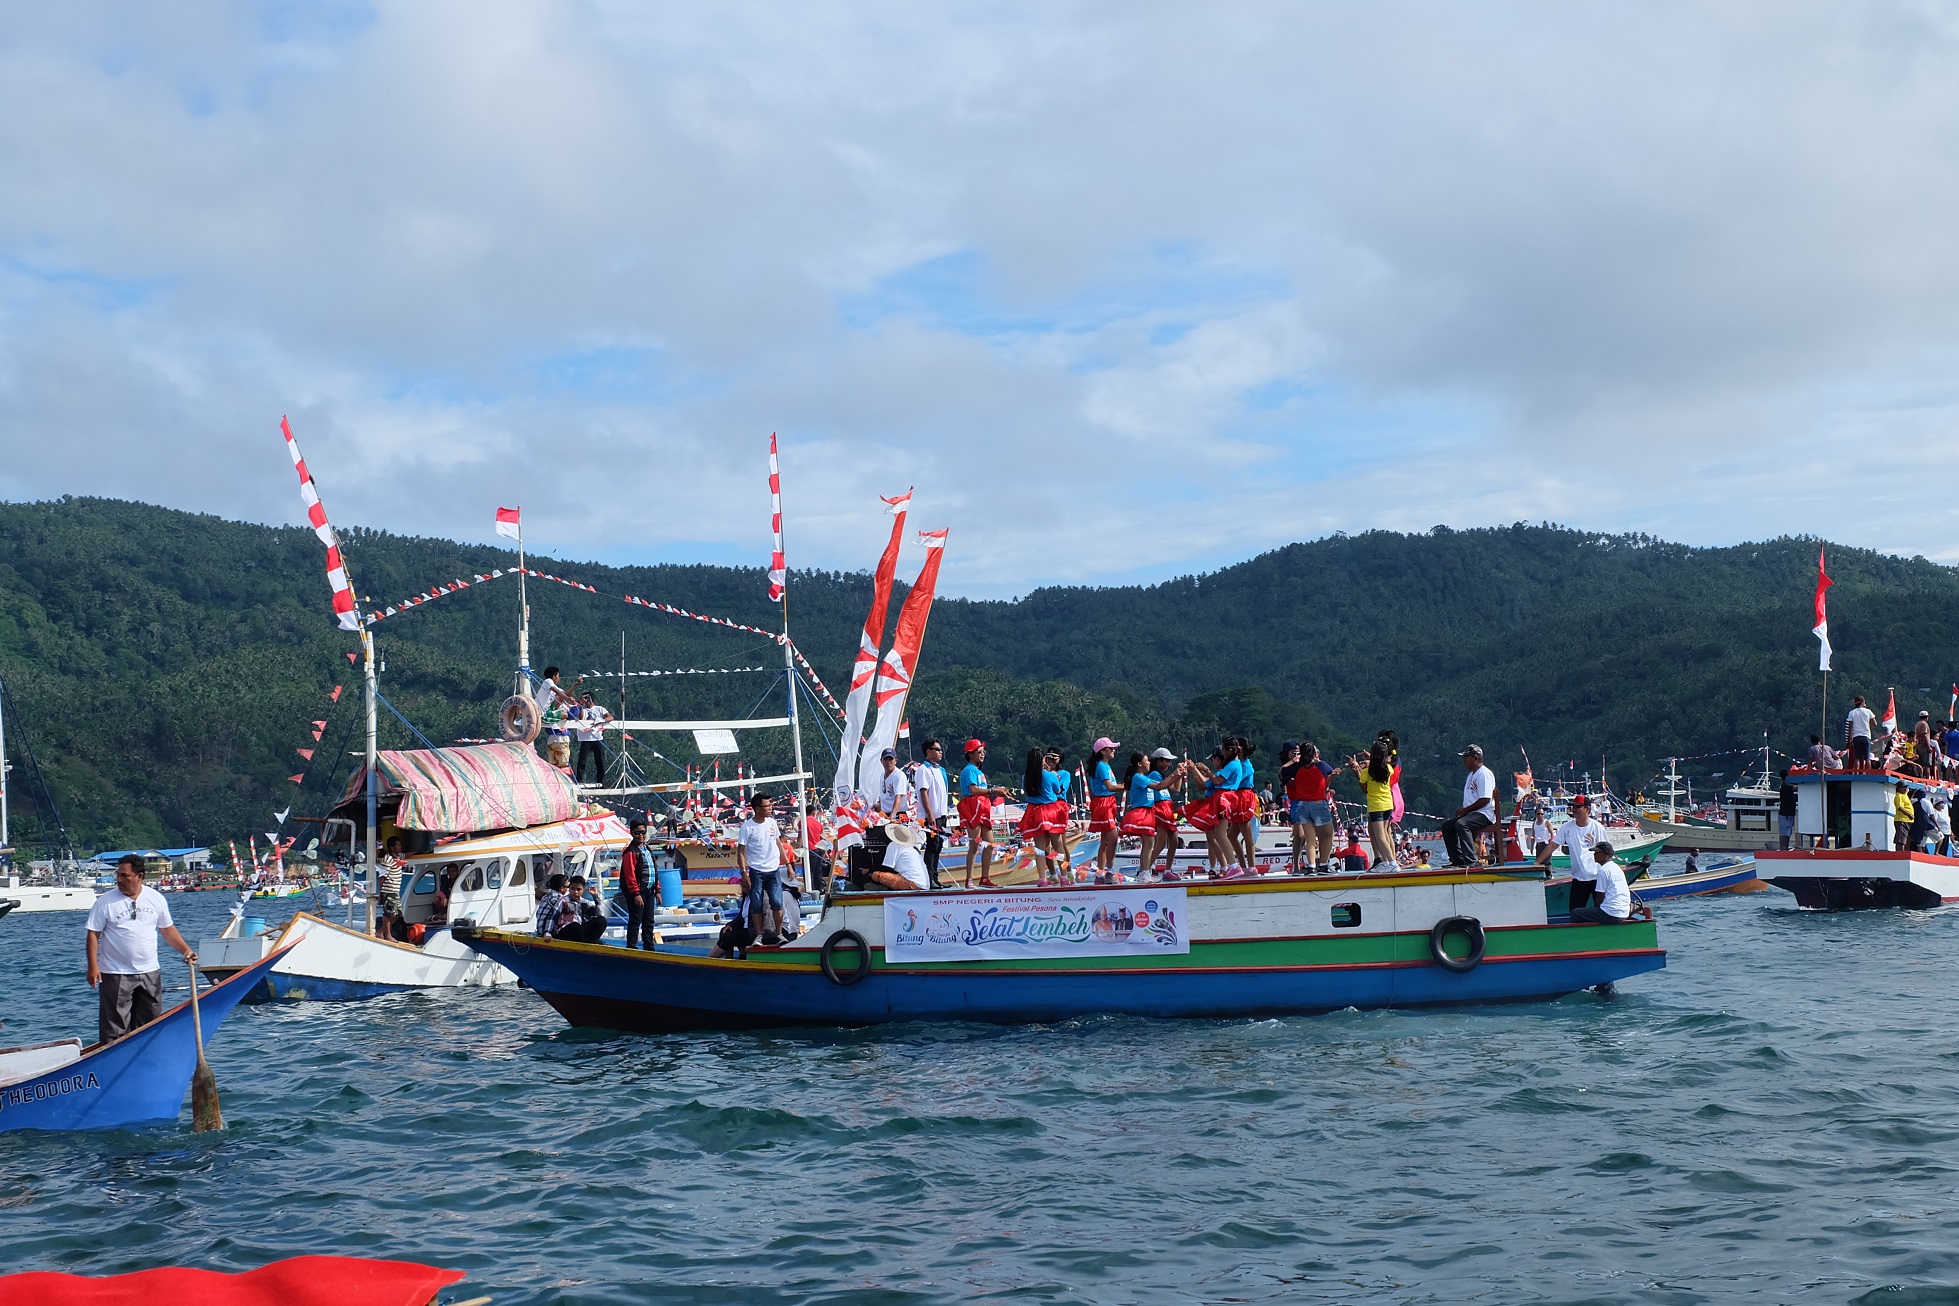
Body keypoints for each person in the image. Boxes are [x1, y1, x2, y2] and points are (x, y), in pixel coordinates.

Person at [86, 854, 196, 1045]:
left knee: (149, 1024)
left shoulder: (156, 899)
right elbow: (93, 935)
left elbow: (167, 930)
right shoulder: (105, 902)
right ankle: (114, 1057)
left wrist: (186, 950)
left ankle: (145, 1056)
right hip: (116, 973)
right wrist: (93, 967)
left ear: (140, 876)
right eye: (118, 875)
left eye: (124, 875)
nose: (119, 880)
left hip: (149, 972)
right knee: (115, 1027)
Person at [957, 739, 1013, 889]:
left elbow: (983, 791)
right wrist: (993, 790)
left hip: (982, 806)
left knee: (989, 844)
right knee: (974, 844)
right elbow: (973, 790)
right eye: (979, 752)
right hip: (972, 806)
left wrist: (997, 790)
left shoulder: (979, 771)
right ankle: (969, 879)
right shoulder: (969, 770)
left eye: (983, 752)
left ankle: (985, 878)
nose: (983, 754)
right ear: (970, 754)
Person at [734, 792, 787, 946]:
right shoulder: (747, 827)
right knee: (756, 904)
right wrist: (744, 872)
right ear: (757, 809)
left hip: (774, 869)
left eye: (771, 805)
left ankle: (779, 934)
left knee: (777, 902)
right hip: (756, 870)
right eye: (767, 806)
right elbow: (741, 851)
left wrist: (788, 864)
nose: (770, 808)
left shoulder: (772, 823)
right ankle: (758, 935)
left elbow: (778, 843)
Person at [1536, 794, 1606, 909]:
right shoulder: (1567, 827)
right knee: (1574, 912)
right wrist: (1537, 862)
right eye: (1573, 806)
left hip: (1597, 878)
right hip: (1578, 878)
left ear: (1587, 809)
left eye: (1578, 807)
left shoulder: (1597, 828)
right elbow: (1553, 845)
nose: (1574, 809)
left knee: (1603, 910)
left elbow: (1605, 851)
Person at [1440, 746, 1499, 868]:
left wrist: (1465, 810)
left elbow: (1485, 799)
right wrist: (1464, 811)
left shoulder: (1483, 774)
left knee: (1462, 824)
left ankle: (1471, 860)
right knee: (1447, 826)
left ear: (1475, 758)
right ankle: (1458, 859)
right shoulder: (1471, 775)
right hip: (1472, 813)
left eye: (1466, 757)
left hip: (1484, 814)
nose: (1464, 760)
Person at [1284, 742, 1337, 875]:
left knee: (1310, 839)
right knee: (1329, 835)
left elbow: (1283, 772)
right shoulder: (1320, 766)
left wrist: (1294, 761)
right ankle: (1323, 865)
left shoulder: (1297, 768)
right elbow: (1330, 771)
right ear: (1314, 754)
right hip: (1318, 803)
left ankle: (1311, 867)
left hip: (1302, 805)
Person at [1569, 843, 1653, 924]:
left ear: (1606, 855)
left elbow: (1600, 896)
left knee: (1575, 913)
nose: (1594, 855)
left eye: (1597, 853)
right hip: (1624, 912)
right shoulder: (1616, 867)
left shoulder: (1603, 871)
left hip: (1611, 914)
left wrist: (1596, 910)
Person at [1347, 741, 1398, 869]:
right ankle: (1386, 862)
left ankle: (1392, 863)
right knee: (1385, 834)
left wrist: (1357, 768)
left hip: (1376, 806)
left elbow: (1364, 789)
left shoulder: (1366, 772)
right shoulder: (1389, 769)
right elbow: (1380, 764)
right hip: (1388, 804)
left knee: (1379, 836)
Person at [617, 817, 657, 950]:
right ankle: (632, 946)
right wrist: (636, 894)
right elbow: (630, 875)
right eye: (637, 833)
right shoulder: (630, 852)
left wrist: (657, 890)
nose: (641, 835)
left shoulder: (647, 849)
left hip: (649, 890)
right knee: (636, 919)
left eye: (643, 832)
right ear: (632, 833)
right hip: (637, 892)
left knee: (649, 920)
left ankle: (649, 945)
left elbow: (653, 870)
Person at [1086, 737, 1123, 882]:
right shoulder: (1102, 766)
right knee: (1113, 838)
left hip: (1106, 802)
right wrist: (1127, 786)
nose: (1113, 750)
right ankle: (1109, 870)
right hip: (1104, 802)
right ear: (1102, 751)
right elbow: (1110, 787)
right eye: (1111, 748)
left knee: (1105, 839)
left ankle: (1101, 873)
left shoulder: (1104, 766)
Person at [915, 739, 950, 889]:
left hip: (941, 814)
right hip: (931, 815)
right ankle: (928, 878)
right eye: (937, 749)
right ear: (929, 751)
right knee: (932, 846)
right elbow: (924, 793)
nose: (940, 752)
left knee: (938, 846)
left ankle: (935, 877)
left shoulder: (939, 770)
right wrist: (929, 814)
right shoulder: (923, 769)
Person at [534, 873, 608, 942]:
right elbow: (553, 917)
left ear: (583, 890)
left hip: (579, 932)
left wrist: (595, 897)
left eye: (578, 889)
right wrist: (547, 933)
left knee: (602, 920)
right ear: (569, 889)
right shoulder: (562, 901)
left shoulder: (585, 902)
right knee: (575, 926)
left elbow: (600, 914)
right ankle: (583, 945)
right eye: (573, 889)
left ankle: (591, 943)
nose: (575, 892)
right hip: (564, 931)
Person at [1226, 736, 1260, 873]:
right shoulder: (1239, 763)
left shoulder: (1245, 766)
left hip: (1244, 797)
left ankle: (1251, 866)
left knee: (1247, 834)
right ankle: (1243, 865)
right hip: (1238, 796)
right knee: (1231, 836)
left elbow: (1236, 779)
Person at [867, 822, 931, 891]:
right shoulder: (912, 849)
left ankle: (882, 887)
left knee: (876, 875)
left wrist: (869, 870)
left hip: (911, 883)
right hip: (924, 884)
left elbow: (887, 867)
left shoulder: (893, 845)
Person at [535, 667, 578, 769]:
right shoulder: (548, 681)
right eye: (558, 676)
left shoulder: (551, 685)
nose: (558, 678)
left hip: (546, 711)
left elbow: (563, 694)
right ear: (554, 676)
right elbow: (560, 693)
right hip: (544, 714)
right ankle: (570, 714)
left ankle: (569, 713)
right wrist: (568, 699)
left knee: (561, 701)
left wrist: (575, 685)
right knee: (565, 714)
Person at [574, 692, 612, 786]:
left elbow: (610, 717)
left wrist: (601, 721)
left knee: (600, 762)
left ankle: (601, 782)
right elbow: (580, 718)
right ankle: (579, 781)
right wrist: (581, 705)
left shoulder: (599, 709)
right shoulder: (583, 709)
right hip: (586, 739)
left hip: (597, 738)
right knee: (582, 761)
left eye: (587, 698)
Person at [375, 834, 406, 940]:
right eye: (398, 845)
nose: (400, 847)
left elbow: (407, 855)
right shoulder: (388, 859)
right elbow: (382, 877)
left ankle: (380, 932)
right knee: (388, 913)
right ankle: (387, 935)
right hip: (389, 890)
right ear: (392, 847)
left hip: (395, 890)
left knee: (398, 914)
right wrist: (380, 893)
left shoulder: (398, 857)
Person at [876, 747, 914, 820]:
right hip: (885, 814)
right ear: (881, 761)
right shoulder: (882, 775)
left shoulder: (898, 775)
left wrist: (892, 815)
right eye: (886, 759)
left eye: (891, 759)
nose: (888, 762)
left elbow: (899, 796)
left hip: (897, 814)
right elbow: (885, 795)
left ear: (895, 761)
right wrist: (879, 805)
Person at [1845, 695, 1876, 768]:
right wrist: (1868, 726)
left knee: (1857, 758)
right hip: (1866, 736)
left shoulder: (1852, 713)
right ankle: (1868, 772)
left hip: (1856, 737)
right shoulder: (1868, 711)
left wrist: (1849, 739)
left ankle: (1856, 772)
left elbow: (1850, 727)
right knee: (1867, 758)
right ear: (1862, 702)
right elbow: (1875, 723)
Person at [1776, 769, 1798, 851]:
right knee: (1784, 834)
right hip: (1785, 814)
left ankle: (1784, 849)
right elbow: (1795, 788)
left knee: (1787, 833)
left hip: (1788, 814)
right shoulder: (1785, 785)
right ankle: (1783, 849)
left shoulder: (1785, 785)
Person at [1894, 782, 1915, 851]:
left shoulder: (1904, 795)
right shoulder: (1899, 796)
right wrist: (1909, 814)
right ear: (1899, 788)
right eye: (1904, 787)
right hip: (1901, 820)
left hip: (1906, 820)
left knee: (1904, 838)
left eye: (1906, 787)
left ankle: (1901, 852)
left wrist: (1914, 792)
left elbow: (1908, 791)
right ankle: (1900, 853)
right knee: (1900, 839)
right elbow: (1900, 807)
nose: (1906, 788)